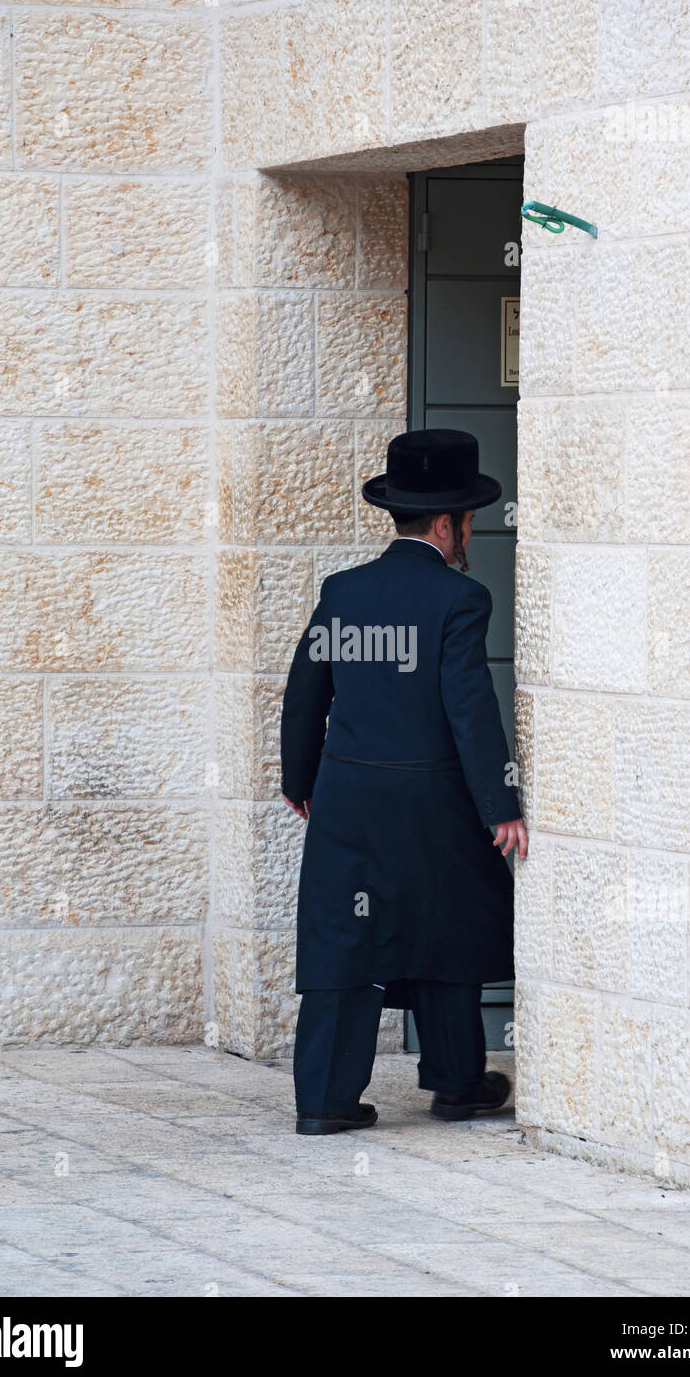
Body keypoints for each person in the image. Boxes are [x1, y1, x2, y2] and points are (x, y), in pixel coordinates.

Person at [280, 428, 528, 1135]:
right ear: (447, 523)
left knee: (342, 940)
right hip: (432, 803)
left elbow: (306, 693)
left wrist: (300, 782)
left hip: (347, 799)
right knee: (447, 928)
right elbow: (467, 708)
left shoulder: (342, 591)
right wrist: (499, 803)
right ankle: (455, 1085)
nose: (467, 536)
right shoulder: (458, 599)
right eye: (468, 523)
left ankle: (325, 1100)